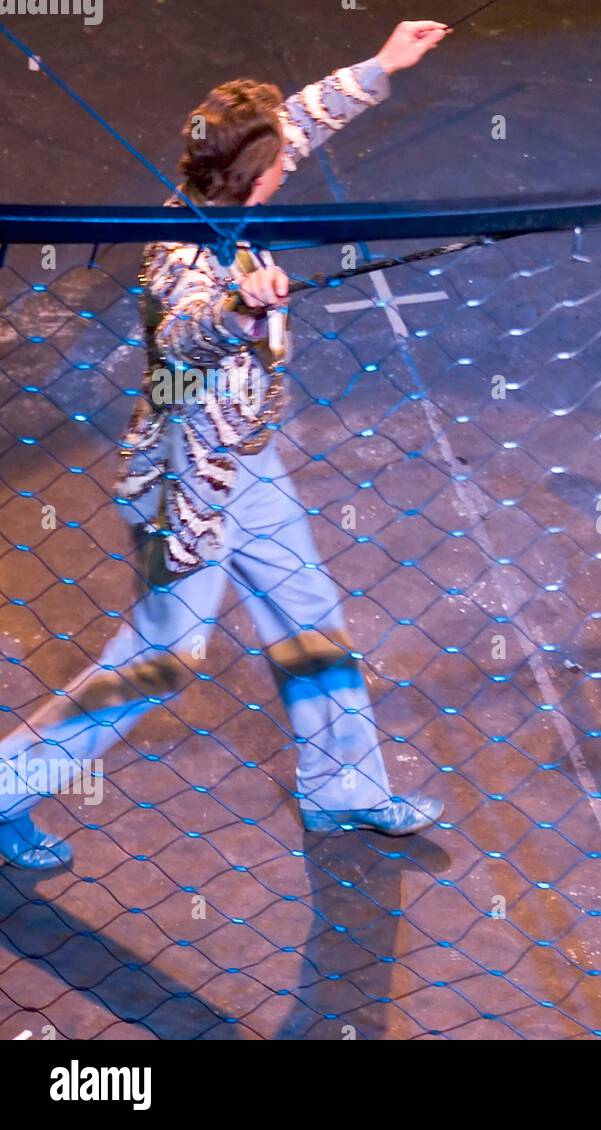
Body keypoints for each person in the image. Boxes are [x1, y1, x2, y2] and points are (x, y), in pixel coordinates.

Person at [0, 21, 454, 869]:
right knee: (158, 660)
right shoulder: (186, 257)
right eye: (281, 155)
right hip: (184, 484)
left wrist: (385, 64)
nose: (294, 156)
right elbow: (182, 338)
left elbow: (301, 118)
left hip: (244, 457)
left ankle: (342, 787)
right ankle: (3, 789)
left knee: (309, 614)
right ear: (256, 176)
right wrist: (240, 310)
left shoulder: (223, 183)